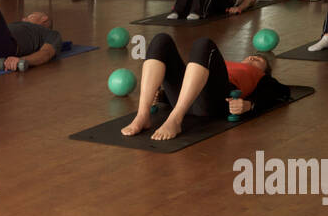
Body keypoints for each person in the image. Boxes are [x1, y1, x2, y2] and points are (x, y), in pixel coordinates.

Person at [120, 34, 285, 140]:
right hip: (186, 98)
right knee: (161, 40)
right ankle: (143, 115)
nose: (252, 58)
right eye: (250, 57)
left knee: (204, 43)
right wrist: (162, 96)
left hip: (213, 101)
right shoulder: (223, 63)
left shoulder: (262, 78)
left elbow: (282, 92)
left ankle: (175, 119)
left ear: (264, 71)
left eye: (258, 61)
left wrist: (250, 104)